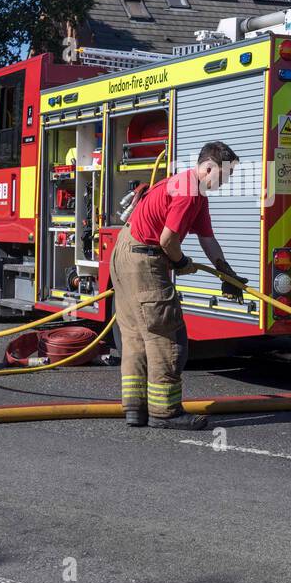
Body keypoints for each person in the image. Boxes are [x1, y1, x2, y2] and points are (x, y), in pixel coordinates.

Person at [109, 141, 248, 430]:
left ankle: (136, 408)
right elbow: (167, 241)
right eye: (224, 176)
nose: (224, 183)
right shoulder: (189, 193)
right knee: (166, 335)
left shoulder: (188, 187)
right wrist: (182, 262)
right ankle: (165, 411)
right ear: (208, 167)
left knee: (135, 335)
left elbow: (207, 239)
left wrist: (226, 271)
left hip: (125, 252)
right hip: (144, 259)